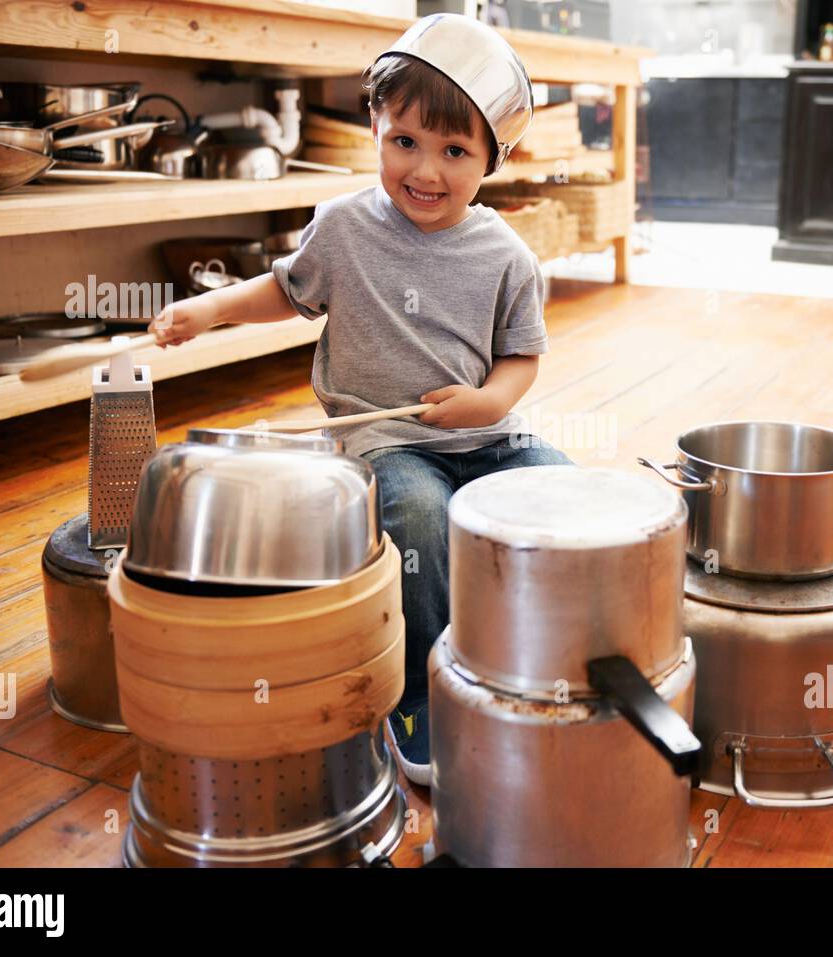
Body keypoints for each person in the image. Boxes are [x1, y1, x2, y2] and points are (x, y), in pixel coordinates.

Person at [150, 14, 573, 787]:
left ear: (493, 159)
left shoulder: (507, 255)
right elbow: (285, 291)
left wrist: (486, 403)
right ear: (375, 124)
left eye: (455, 152)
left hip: (487, 434)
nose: (427, 171)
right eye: (404, 141)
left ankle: (539, 655)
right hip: (386, 440)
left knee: (562, 493)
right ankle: (419, 691)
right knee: (415, 515)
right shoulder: (343, 228)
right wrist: (208, 310)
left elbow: (520, 362)